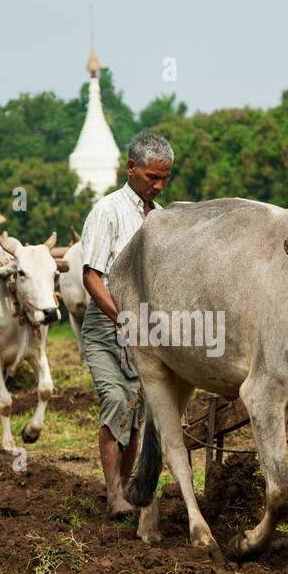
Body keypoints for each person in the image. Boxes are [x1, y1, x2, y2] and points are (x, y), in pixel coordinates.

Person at [79, 132, 174, 519]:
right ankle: (114, 493)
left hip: (146, 333)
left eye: (165, 179)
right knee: (116, 399)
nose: (159, 185)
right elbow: (91, 276)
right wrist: (120, 317)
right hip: (106, 327)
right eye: (152, 177)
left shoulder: (164, 219)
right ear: (131, 168)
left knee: (138, 410)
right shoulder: (108, 211)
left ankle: (131, 487)